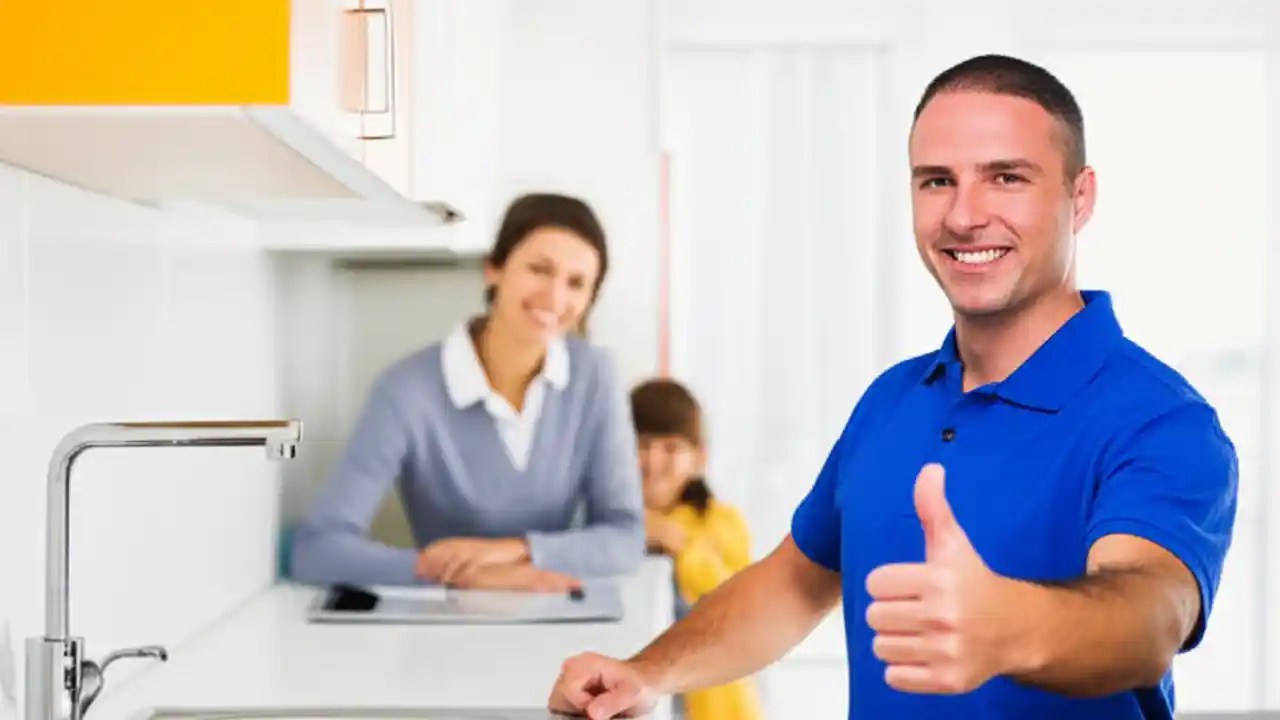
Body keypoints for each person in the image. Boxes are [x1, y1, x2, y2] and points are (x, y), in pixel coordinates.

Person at [547, 54, 1239, 720]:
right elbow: (794, 584)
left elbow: (1153, 616)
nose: (963, 216)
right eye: (936, 181)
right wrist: (649, 672)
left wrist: (1012, 626)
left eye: (1005, 178)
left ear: (1078, 197)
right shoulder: (892, 401)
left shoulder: (1160, 420)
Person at [292, 192, 646, 592]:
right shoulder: (406, 391)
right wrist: (464, 575)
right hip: (445, 616)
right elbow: (316, 550)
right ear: (494, 269)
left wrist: (514, 552)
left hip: (554, 609)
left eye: (576, 283)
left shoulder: (595, 378)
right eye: (539, 269)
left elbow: (626, 537)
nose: (555, 297)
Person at [629, 378, 762, 720]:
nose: (652, 460)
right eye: (642, 445)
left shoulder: (722, 522)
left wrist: (680, 542)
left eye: (671, 448)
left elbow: (740, 608)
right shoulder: (599, 527)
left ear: (698, 456)